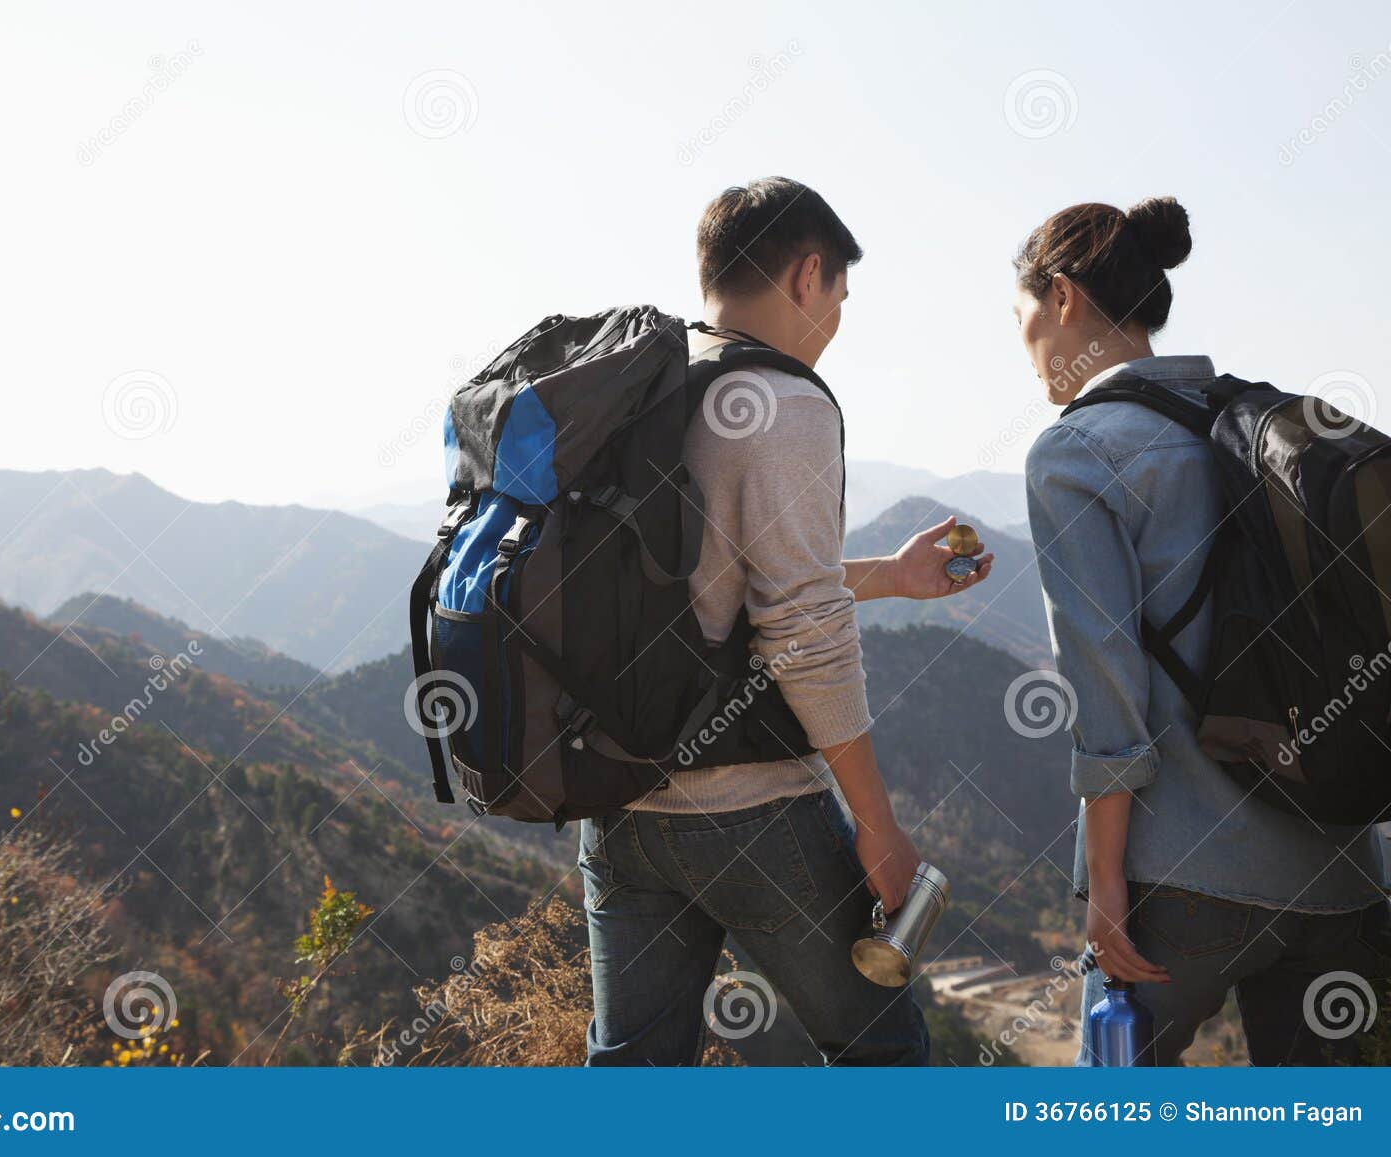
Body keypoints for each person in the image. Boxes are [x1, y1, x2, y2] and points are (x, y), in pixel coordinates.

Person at [580, 177, 994, 1065]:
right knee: (881, 1054)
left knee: (631, 1072)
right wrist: (877, 824)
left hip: (617, 803)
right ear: (809, 274)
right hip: (752, 808)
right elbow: (802, 630)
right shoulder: (787, 403)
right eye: (840, 296)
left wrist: (889, 575)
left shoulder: (640, 390)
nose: (836, 321)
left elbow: (709, 586)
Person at [1015, 195, 1391, 1064]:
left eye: (1023, 314)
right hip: (1342, 866)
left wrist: (1105, 882)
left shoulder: (1076, 452)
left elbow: (1105, 689)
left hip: (1183, 880)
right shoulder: (1270, 427)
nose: (1027, 346)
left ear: (1063, 298)